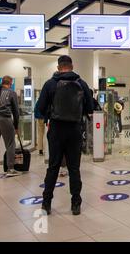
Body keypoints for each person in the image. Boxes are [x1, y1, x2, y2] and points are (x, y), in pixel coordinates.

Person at [38, 55, 94, 215]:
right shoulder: (82, 84)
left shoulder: (50, 84)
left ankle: (46, 203)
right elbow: (90, 108)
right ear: (72, 66)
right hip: (75, 130)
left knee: (53, 167)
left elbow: (41, 108)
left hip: (56, 129)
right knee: (74, 168)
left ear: (58, 67)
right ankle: (75, 203)